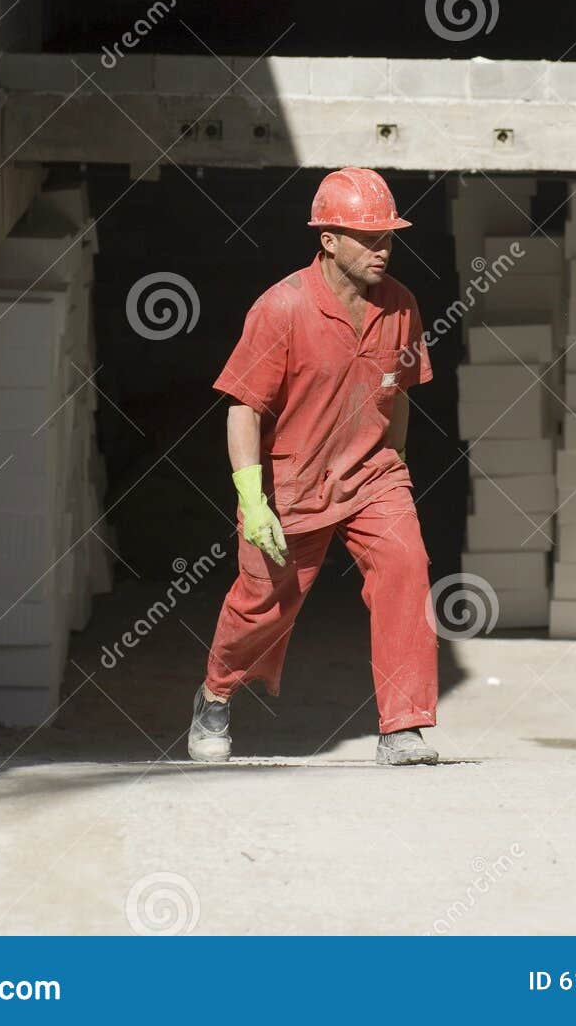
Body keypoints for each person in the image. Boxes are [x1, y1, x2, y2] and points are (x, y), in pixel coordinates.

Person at [188, 168, 439, 767]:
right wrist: (252, 500)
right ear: (329, 240)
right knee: (263, 604)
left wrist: (396, 470)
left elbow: (398, 392)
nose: (384, 249)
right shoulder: (283, 307)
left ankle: (403, 728)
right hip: (291, 481)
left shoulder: (401, 306)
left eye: (389, 237)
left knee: (407, 563)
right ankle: (216, 692)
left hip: (373, 473)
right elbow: (243, 410)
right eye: (369, 238)